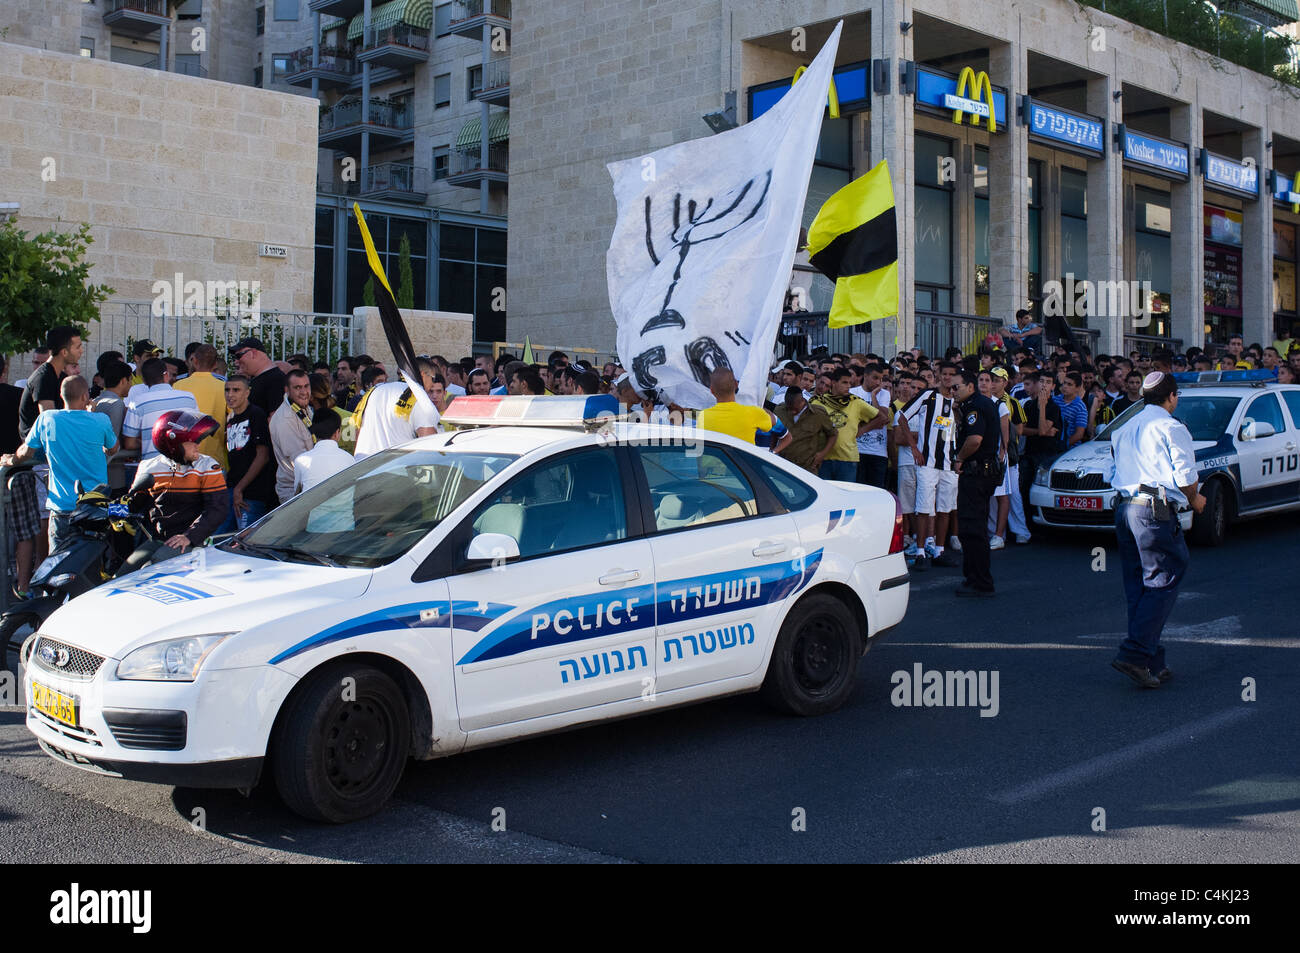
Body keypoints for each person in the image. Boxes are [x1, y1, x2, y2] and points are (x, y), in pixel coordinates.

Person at [1109, 372, 1206, 688]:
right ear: (1173, 396)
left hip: (1125, 507)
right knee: (1164, 579)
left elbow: (1113, 468)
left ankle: (1151, 658)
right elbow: (1185, 477)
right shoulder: (1172, 427)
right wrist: (1196, 499)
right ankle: (1136, 654)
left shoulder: (1123, 428)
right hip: (1154, 509)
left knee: (1140, 584)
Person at [2, 375, 118, 553]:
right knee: (94, 563)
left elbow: (26, 452)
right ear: (85, 396)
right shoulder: (100, 419)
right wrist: (91, 415)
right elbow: (113, 449)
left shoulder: (47, 418)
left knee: (57, 564)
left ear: (61, 396)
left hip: (61, 507)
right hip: (95, 508)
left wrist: (10, 460)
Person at [128, 410, 229, 566]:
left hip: (194, 542)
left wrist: (189, 536)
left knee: (151, 568)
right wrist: (111, 508)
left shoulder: (208, 465)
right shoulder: (149, 467)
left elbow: (217, 508)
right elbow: (133, 505)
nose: (198, 445)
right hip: (158, 541)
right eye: (193, 441)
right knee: (122, 575)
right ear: (173, 443)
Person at [951, 369, 1001, 596]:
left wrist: (959, 458)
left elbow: (974, 440)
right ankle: (973, 577)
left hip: (977, 473)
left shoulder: (976, 406)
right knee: (972, 526)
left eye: (956, 387)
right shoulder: (973, 405)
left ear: (970, 387)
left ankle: (980, 580)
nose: (953, 391)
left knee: (973, 528)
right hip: (980, 473)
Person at [352, 358, 443, 459]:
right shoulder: (420, 399)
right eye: (433, 378)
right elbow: (429, 445)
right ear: (423, 375)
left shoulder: (373, 392)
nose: (432, 385)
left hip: (362, 467)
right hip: (396, 469)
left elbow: (358, 432)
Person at [223, 375, 277, 530]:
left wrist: (240, 488)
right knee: (221, 537)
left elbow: (263, 455)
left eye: (236, 390)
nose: (230, 394)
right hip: (234, 488)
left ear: (247, 393)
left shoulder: (255, 414)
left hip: (252, 492)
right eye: (227, 390)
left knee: (247, 539)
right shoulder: (231, 418)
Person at [811, 367, 882, 481]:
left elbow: (882, 418)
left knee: (845, 496)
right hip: (823, 457)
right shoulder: (818, 401)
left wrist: (862, 431)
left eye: (849, 383)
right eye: (844, 382)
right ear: (834, 383)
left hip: (848, 459)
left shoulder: (856, 402)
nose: (848, 386)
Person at [121, 358, 199, 461]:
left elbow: (129, 444)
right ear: (166, 375)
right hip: (186, 467)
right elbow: (197, 432)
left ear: (144, 380)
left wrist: (148, 442)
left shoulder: (137, 402)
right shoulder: (189, 398)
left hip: (154, 468)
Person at [172, 344, 228, 468]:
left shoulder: (178, 386)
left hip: (184, 456)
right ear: (215, 365)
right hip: (214, 458)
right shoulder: (224, 387)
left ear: (195, 361)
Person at [697, 368, 780, 446]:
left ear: (711, 390)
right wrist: (760, 409)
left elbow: (699, 446)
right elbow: (772, 421)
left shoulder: (702, 416)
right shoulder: (753, 412)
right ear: (736, 385)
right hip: (742, 461)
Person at [269, 369, 316, 504]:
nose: (304, 392)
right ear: (287, 390)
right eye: (297, 387)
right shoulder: (285, 419)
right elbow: (299, 461)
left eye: (306, 386)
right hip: (294, 492)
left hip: (304, 486)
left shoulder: (302, 408)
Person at [91, 360, 134, 492]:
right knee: (118, 511)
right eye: (130, 380)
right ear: (123, 381)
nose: (131, 384)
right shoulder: (116, 404)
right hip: (113, 480)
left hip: (96, 478)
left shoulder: (96, 401)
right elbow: (111, 445)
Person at [773, 387, 835, 474]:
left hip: (807, 468)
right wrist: (772, 451)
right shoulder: (779, 410)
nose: (792, 412)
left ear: (802, 401)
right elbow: (774, 433)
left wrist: (822, 454)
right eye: (789, 408)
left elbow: (833, 434)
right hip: (783, 465)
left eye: (795, 409)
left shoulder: (818, 414)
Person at [228, 337, 287, 416]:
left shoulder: (275, 380)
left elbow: (275, 418)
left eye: (239, 356)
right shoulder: (259, 379)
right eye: (234, 358)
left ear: (254, 353)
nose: (236, 362)